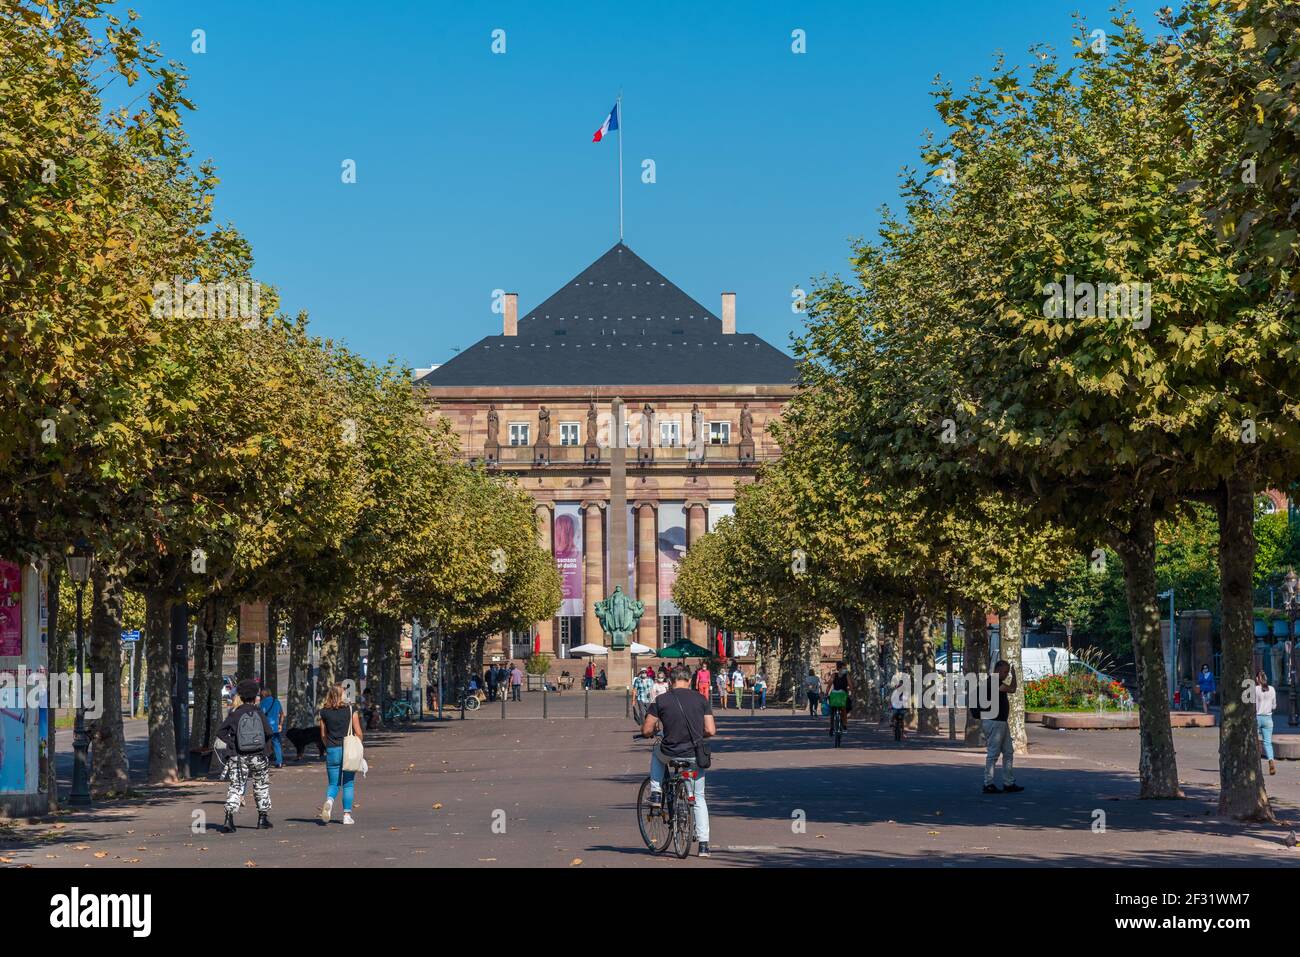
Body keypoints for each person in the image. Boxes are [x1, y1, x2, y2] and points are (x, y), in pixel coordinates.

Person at [640, 664, 716, 858]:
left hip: (670, 751)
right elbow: (711, 730)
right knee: (698, 796)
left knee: (656, 754)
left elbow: (647, 730)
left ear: (670, 681)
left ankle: (656, 793)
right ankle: (704, 846)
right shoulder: (701, 699)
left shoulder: (661, 700)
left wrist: (654, 732)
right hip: (694, 754)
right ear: (689, 680)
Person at [215, 679, 275, 833]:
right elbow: (269, 732)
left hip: (238, 756)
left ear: (240, 695)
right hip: (259, 756)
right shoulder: (259, 713)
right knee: (261, 785)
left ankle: (229, 819)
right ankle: (262, 818)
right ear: (255, 696)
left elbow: (220, 731)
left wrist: (232, 742)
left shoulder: (235, 714)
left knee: (236, 786)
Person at [318, 683, 364, 825]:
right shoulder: (351, 710)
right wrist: (358, 746)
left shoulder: (324, 712)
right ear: (343, 694)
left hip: (332, 749)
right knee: (348, 783)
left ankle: (330, 802)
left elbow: (323, 735)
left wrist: (329, 746)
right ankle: (346, 815)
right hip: (348, 749)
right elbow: (358, 732)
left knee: (333, 784)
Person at [979, 660, 1022, 794]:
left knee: (1008, 751)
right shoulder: (994, 681)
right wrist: (1015, 676)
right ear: (997, 670)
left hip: (1001, 722)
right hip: (994, 722)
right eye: (1005, 672)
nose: (1006, 674)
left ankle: (1008, 782)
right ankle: (988, 783)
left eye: (1008, 672)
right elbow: (1012, 689)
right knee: (993, 754)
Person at [1256, 670, 1277, 776]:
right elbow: (1274, 706)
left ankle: (1255, 764)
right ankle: (1271, 760)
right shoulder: (1272, 689)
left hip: (1257, 718)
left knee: (1254, 741)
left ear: (1257, 679)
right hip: (1268, 718)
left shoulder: (1255, 689)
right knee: (1267, 743)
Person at [258, 684, 285, 768]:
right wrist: (280, 724)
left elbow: (260, 715)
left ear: (263, 694)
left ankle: (264, 761)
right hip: (275, 727)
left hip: (265, 727)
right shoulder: (276, 701)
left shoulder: (262, 703)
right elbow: (282, 714)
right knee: (277, 744)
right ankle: (279, 762)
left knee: (264, 744)